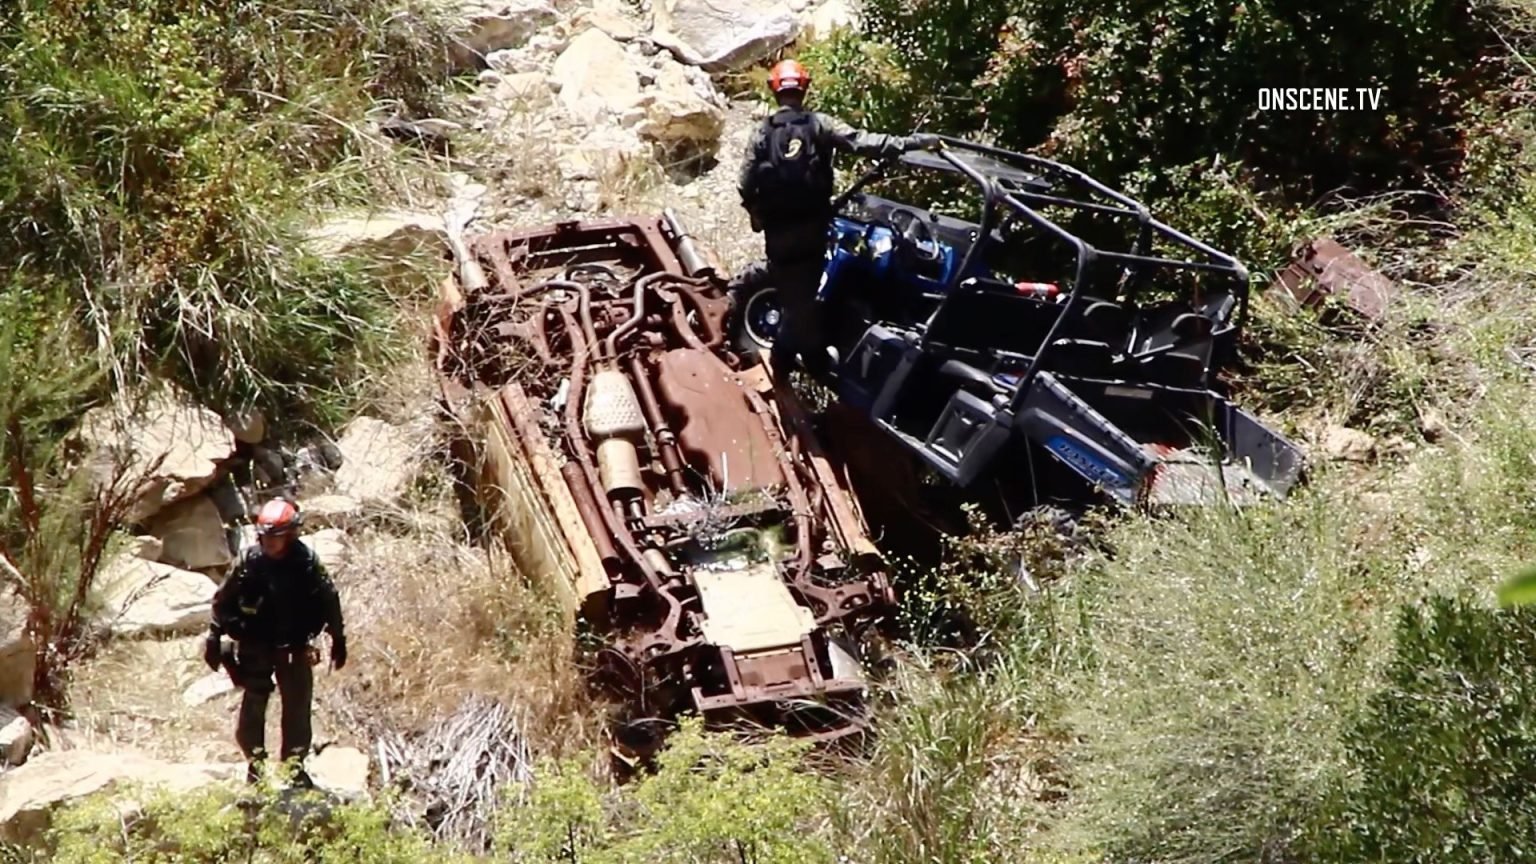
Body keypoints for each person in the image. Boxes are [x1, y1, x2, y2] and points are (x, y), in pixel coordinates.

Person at [735, 58, 941, 377]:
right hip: (812, 229)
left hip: (778, 233)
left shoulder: (762, 133)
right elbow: (865, 142)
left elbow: (745, 182)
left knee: (794, 294)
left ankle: (786, 356)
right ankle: (808, 363)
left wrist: (756, 215)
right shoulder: (821, 124)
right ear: (804, 88)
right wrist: (912, 143)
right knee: (802, 297)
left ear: (773, 89)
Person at [204, 497, 346, 786]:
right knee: (253, 706)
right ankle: (255, 765)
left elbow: (329, 599)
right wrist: (213, 635)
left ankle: (294, 768)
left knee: (297, 707)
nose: (270, 543)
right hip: (255, 646)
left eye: (276, 537)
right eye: (265, 537)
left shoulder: (305, 563)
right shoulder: (249, 562)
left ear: (290, 535)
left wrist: (338, 637)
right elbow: (222, 599)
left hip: (293, 647)